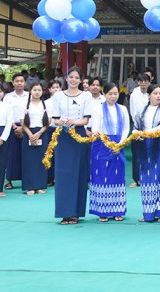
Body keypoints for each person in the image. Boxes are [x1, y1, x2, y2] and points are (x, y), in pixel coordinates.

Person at [50, 67, 95, 224]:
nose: (73, 80)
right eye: (71, 77)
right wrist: (61, 121)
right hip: (63, 137)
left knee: (78, 173)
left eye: (77, 77)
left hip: (79, 137)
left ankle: (75, 212)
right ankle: (64, 212)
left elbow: (86, 120)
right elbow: (54, 120)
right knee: (63, 174)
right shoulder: (58, 95)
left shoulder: (86, 95)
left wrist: (75, 122)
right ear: (66, 78)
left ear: (81, 80)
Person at [88, 83, 130, 223]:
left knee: (117, 176)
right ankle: (103, 211)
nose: (113, 96)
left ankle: (118, 210)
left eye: (115, 93)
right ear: (104, 94)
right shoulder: (98, 108)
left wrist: (120, 143)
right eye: (110, 94)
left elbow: (126, 128)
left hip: (118, 144)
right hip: (101, 144)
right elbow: (95, 127)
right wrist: (103, 138)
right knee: (102, 175)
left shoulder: (123, 109)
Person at [132, 84, 160, 223]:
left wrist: (145, 133)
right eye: (155, 93)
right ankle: (148, 213)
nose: (158, 96)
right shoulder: (141, 111)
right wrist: (138, 134)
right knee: (147, 177)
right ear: (149, 95)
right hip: (145, 145)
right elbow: (135, 128)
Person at [20, 82, 49, 195]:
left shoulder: (46, 104)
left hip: (42, 133)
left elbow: (48, 122)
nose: (37, 92)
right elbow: (23, 123)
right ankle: (30, 187)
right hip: (29, 133)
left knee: (41, 160)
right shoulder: (25, 104)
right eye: (35, 90)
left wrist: (39, 133)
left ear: (43, 92)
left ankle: (40, 186)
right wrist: (30, 135)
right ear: (30, 91)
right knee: (29, 161)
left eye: (39, 90)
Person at [2, 73, 28, 190]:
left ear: (25, 83)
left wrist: (23, 127)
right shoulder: (7, 97)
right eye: (16, 81)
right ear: (13, 83)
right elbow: (6, 113)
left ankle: (26, 179)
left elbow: (31, 112)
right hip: (11, 126)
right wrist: (14, 126)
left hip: (26, 127)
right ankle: (9, 180)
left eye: (21, 81)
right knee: (11, 154)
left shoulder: (29, 95)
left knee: (26, 154)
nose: (19, 83)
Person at [128, 73, 152, 188]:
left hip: (151, 127)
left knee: (150, 153)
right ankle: (136, 179)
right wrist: (138, 125)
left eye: (145, 81)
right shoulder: (134, 94)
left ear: (149, 82)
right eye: (141, 81)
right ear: (138, 82)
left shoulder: (153, 92)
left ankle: (149, 177)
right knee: (136, 153)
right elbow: (133, 111)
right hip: (137, 127)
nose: (143, 83)